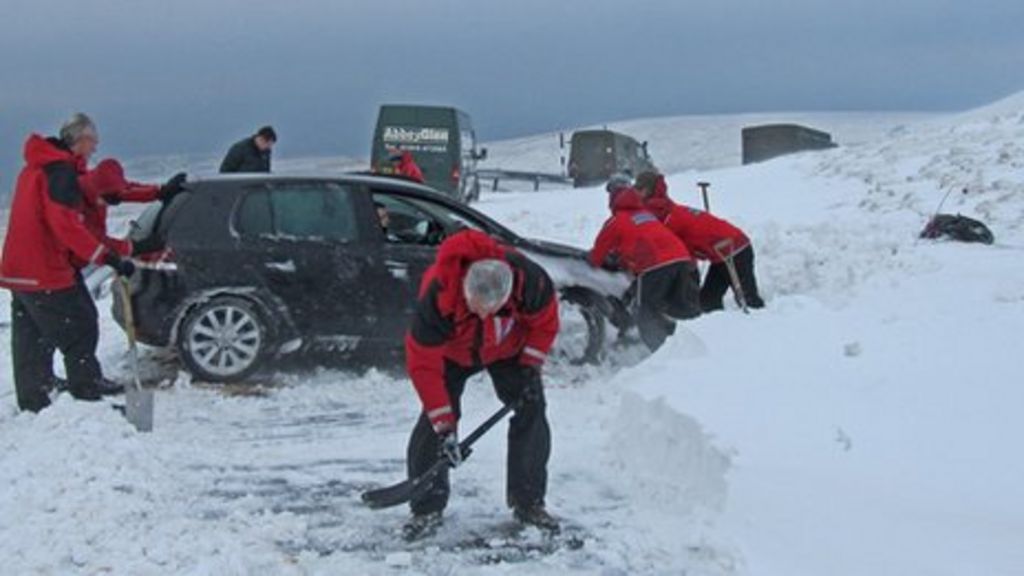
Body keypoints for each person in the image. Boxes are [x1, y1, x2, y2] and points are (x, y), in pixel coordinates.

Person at [402, 229, 560, 540]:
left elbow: (545, 323)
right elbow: (423, 364)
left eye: (494, 309)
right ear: (464, 289)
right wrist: (444, 425)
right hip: (453, 353)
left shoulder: (530, 281)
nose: (485, 314)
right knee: (433, 424)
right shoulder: (438, 293)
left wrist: (531, 363)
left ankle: (529, 503)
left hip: (508, 350)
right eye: (477, 307)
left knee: (532, 411)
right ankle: (426, 507)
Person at [0, 113, 138, 412]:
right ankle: (86, 387)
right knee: (81, 323)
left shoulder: (35, 168)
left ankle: (35, 394)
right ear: (80, 140)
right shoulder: (60, 173)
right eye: (93, 141)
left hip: (18, 269)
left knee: (32, 333)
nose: (95, 148)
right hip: (45, 269)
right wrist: (108, 257)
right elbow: (67, 226)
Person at [588, 175, 701, 352]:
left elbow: (596, 257)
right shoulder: (646, 215)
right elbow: (642, 240)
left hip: (655, 266)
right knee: (681, 308)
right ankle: (700, 345)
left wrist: (602, 259)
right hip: (682, 259)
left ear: (612, 200)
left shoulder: (615, 221)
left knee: (646, 313)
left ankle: (663, 356)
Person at [634, 171, 765, 312]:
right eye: (637, 189)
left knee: (748, 299)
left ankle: (764, 321)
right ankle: (724, 323)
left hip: (735, 248)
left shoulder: (665, 217)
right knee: (708, 302)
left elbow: (678, 252)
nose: (637, 193)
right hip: (720, 255)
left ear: (650, 190)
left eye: (641, 189)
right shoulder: (665, 210)